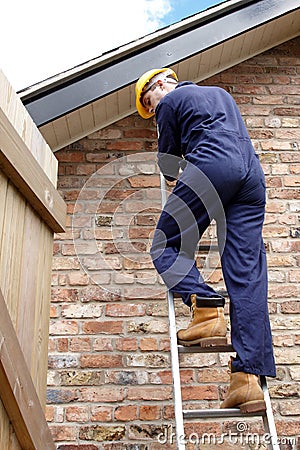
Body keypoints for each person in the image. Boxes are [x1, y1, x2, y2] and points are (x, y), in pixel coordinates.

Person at [135, 67, 276, 413]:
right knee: (247, 276)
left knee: (165, 245)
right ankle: (248, 380)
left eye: (149, 106)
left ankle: (207, 310)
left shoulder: (170, 101)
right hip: (251, 179)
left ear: (160, 85)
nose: (153, 112)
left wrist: (171, 172)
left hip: (213, 165)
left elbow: (168, 162)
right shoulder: (220, 94)